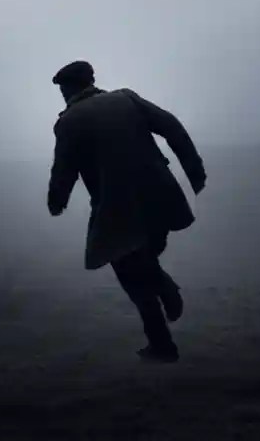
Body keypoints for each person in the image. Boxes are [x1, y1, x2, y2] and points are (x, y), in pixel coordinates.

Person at [46, 60, 206, 362]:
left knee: (130, 271)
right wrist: (194, 171)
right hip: (161, 198)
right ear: (91, 81)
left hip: (117, 211)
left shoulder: (68, 122)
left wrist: (57, 201)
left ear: (68, 89)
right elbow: (172, 127)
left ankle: (162, 328)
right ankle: (162, 332)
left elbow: (63, 168)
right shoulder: (126, 98)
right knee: (142, 261)